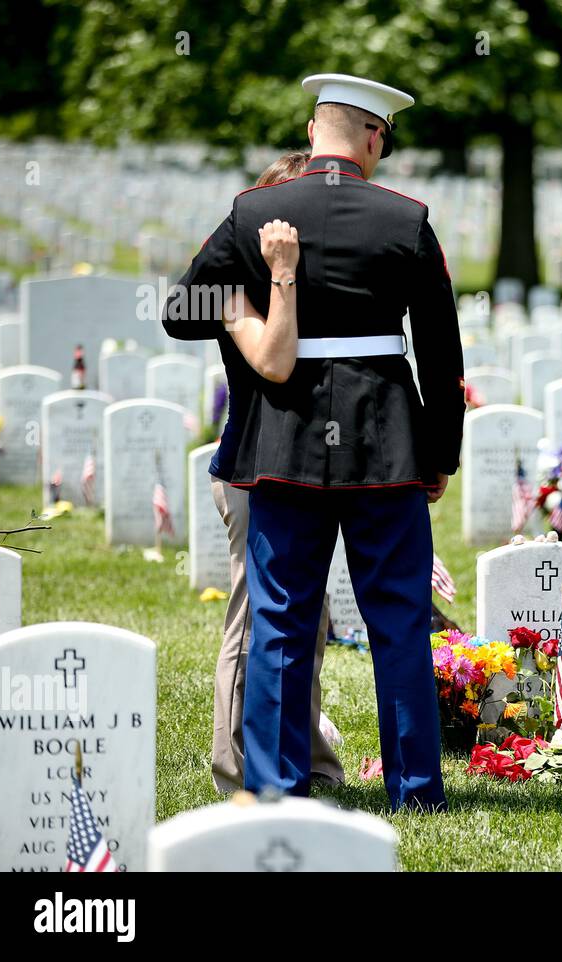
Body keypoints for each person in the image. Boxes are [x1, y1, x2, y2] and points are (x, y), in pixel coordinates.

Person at [163, 74, 464, 811]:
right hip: (385, 447)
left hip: (282, 443)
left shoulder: (253, 211)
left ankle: (273, 784)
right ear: (373, 137)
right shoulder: (408, 218)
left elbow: (179, 309)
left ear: (312, 130)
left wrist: (243, 307)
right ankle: (416, 792)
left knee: (281, 622)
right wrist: (439, 454)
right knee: (397, 624)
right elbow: (442, 355)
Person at [208, 149, 345, 795]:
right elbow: (274, 362)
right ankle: (237, 768)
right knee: (255, 622)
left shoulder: (321, 283)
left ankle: (307, 760)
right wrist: (284, 277)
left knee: (308, 622)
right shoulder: (234, 289)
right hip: (249, 468)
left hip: (308, 470)